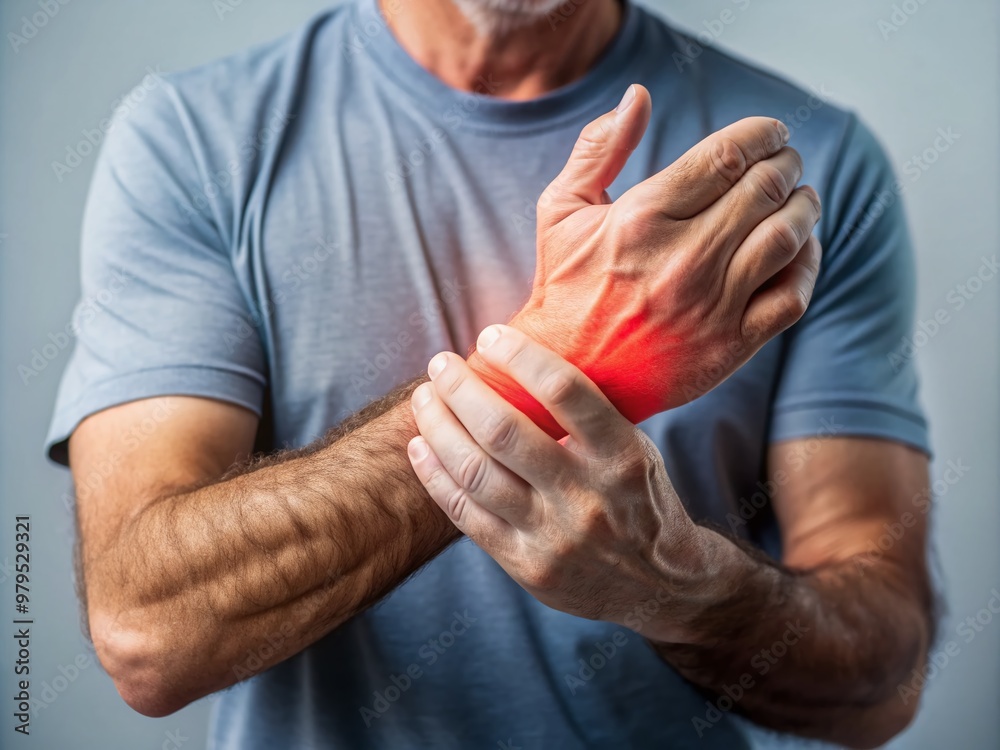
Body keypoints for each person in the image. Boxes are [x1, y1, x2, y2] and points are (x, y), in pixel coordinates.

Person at [46, 0, 935, 747]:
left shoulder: (798, 178)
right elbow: (149, 630)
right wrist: (568, 356)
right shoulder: (194, 140)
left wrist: (684, 591)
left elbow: (882, 683)